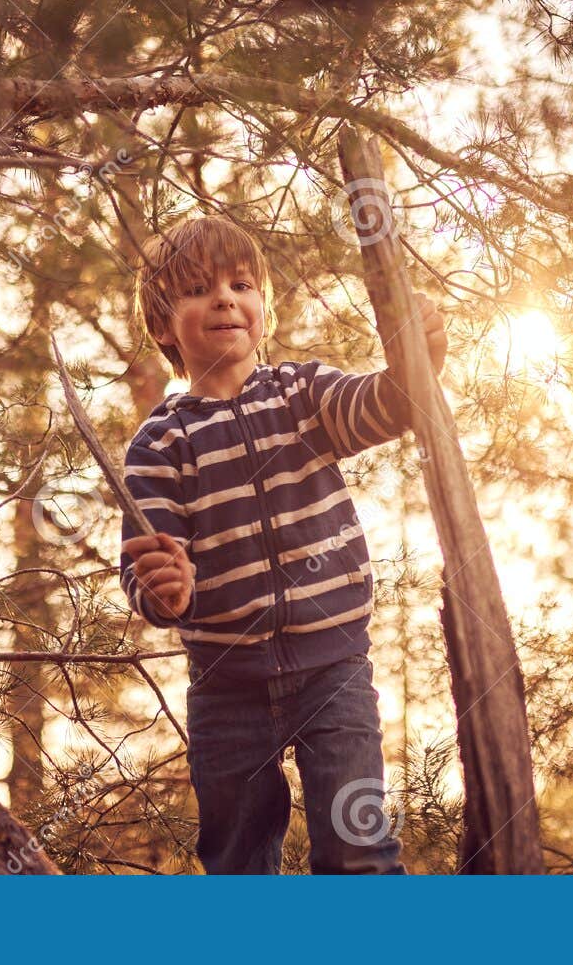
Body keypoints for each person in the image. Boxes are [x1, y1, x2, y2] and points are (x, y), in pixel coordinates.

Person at [119, 214, 446, 874]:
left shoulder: (304, 393)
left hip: (335, 670)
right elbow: (147, 569)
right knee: (237, 861)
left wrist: (418, 362)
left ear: (262, 307)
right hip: (225, 689)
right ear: (161, 327)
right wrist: (164, 588)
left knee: (358, 848)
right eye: (197, 290)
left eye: (241, 284)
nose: (224, 299)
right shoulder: (158, 446)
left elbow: (387, 404)